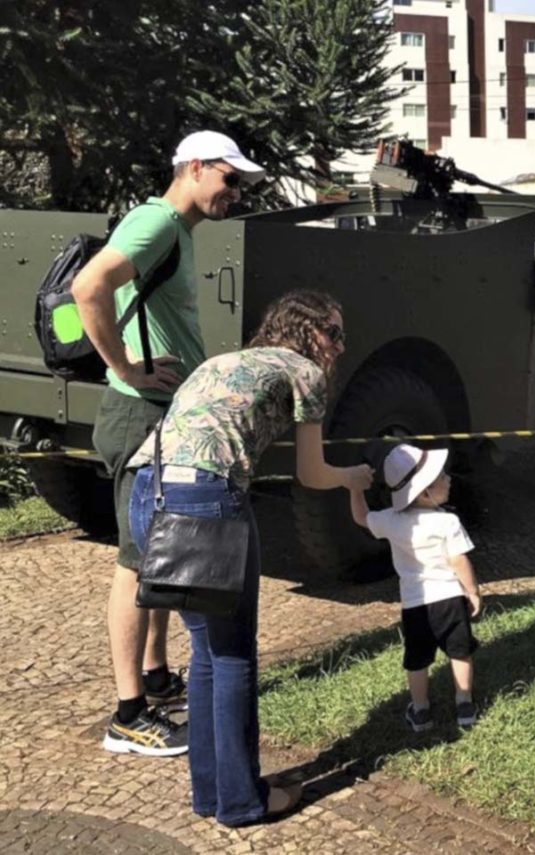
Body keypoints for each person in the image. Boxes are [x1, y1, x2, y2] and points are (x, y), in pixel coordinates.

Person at [126, 290, 374, 826]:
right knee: (234, 654)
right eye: (333, 333)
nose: (339, 346)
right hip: (208, 500)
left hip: (149, 492)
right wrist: (351, 477)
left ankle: (212, 793)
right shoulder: (304, 372)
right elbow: (311, 474)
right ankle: (242, 801)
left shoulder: (225, 360)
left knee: (206, 652)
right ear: (305, 333)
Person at [74, 130, 266, 756]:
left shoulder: (176, 232)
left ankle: (155, 676)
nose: (235, 194)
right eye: (229, 179)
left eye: (241, 184)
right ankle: (127, 715)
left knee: (160, 553)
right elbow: (90, 286)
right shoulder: (156, 220)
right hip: (138, 415)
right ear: (193, 168)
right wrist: (127, 368)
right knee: (135, 565)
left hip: (161, 416)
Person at [350, 444, 481, 733]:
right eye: (442, 477)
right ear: (424, 492)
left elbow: (361, 518)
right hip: (449, 598)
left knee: (417, 660)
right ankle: (464, 703)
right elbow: (458, 560)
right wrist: (472, 591)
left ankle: (420, 710)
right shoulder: (448, 522)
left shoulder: (391, 521)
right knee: (460, 652)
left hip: (414, 604)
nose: (448, 479)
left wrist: (355, 490)